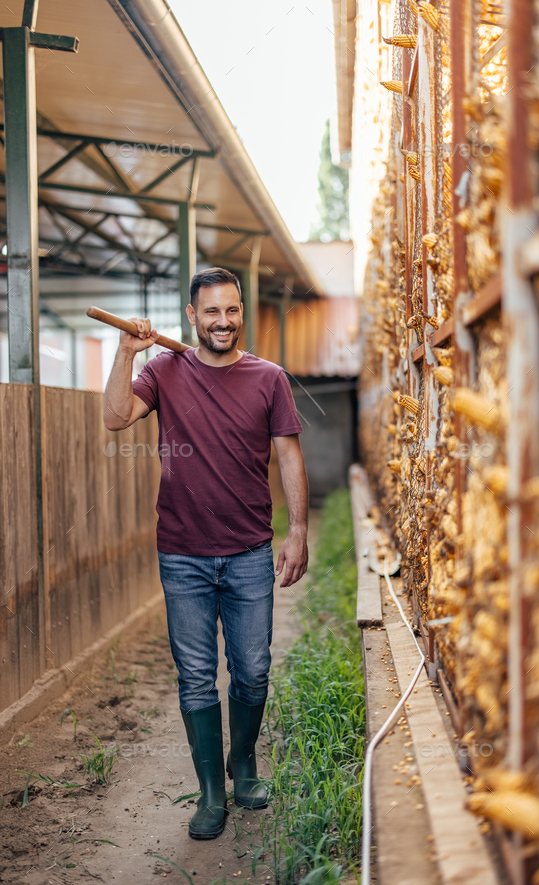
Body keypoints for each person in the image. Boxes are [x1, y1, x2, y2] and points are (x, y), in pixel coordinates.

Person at [103, 266, 309, 839]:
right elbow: (114, 418)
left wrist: (298, 531)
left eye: (232, 310)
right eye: (212, 312)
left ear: (242, 311)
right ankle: (211, 794)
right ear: (192, 316)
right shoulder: (164, 370)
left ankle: (242, 766)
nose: (224, 321)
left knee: (252, 669)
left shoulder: (269, 378)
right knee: (195, 677)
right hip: (184, 554)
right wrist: (126, 353)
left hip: (248, 551)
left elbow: (289, 458)